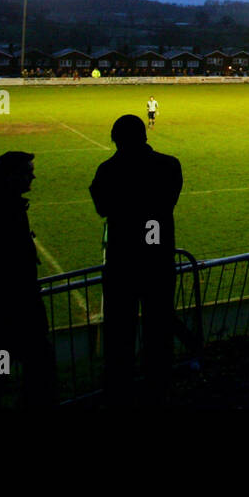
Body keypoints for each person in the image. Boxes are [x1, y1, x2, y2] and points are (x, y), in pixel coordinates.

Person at [90, 115, 183, 404]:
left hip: (123, 262)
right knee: (159, 326)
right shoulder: (169, 165)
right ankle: (159, 387)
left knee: (120, 331)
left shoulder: (108, 170)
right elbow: (170, 200)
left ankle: (119, 391)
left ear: (116, 139)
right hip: (158, 260)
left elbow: (102, 208)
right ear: (144, 136)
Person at [0, 151, 57, 408]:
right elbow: (4, 267)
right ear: (11, 176)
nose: (33, 176)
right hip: (8, 314)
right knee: (9, 369)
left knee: (8, 369)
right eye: (27, 172)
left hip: (6, 313)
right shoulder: (0, 210)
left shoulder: (3, 205)